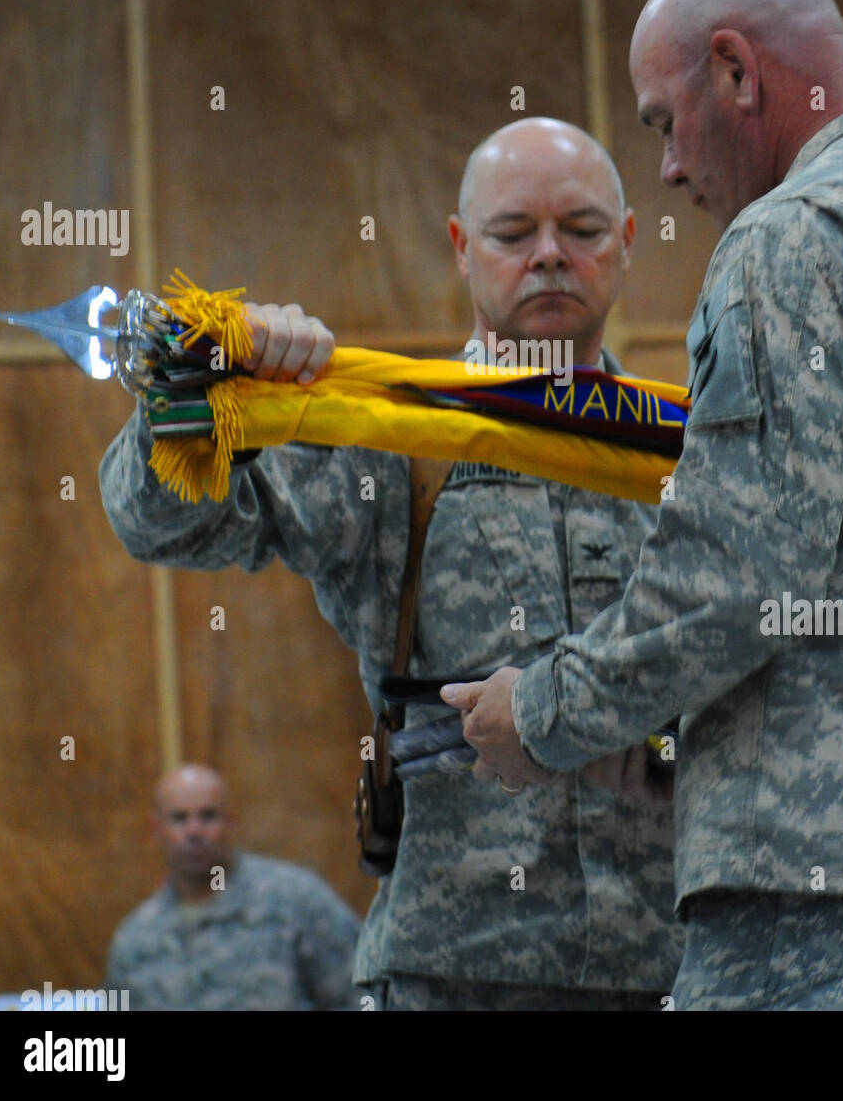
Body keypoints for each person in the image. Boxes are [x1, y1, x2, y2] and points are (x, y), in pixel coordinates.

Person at [450, 0, 843, 1011]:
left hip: (839, 890)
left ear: (735, 73)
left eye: (660, 121)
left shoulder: (794, 242)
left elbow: (735, 572)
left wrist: (546, 711)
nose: (670, 169)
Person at [100, 117, 683, 1011]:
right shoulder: (393, 446)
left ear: (630, 241)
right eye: (513, 233)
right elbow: (162, 527)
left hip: (675, 966)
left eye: (583, 230)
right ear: (460, 247)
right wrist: (205, 389)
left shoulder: (687, 449)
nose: (551, 257)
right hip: (456, 970)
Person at [104, 764, 360, 1010]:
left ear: (231, 821)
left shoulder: (296, 902)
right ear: (156, 829)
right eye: (179, 818)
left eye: (208, 816)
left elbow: (362, 997)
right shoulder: (135, 940)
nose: (194, 831)